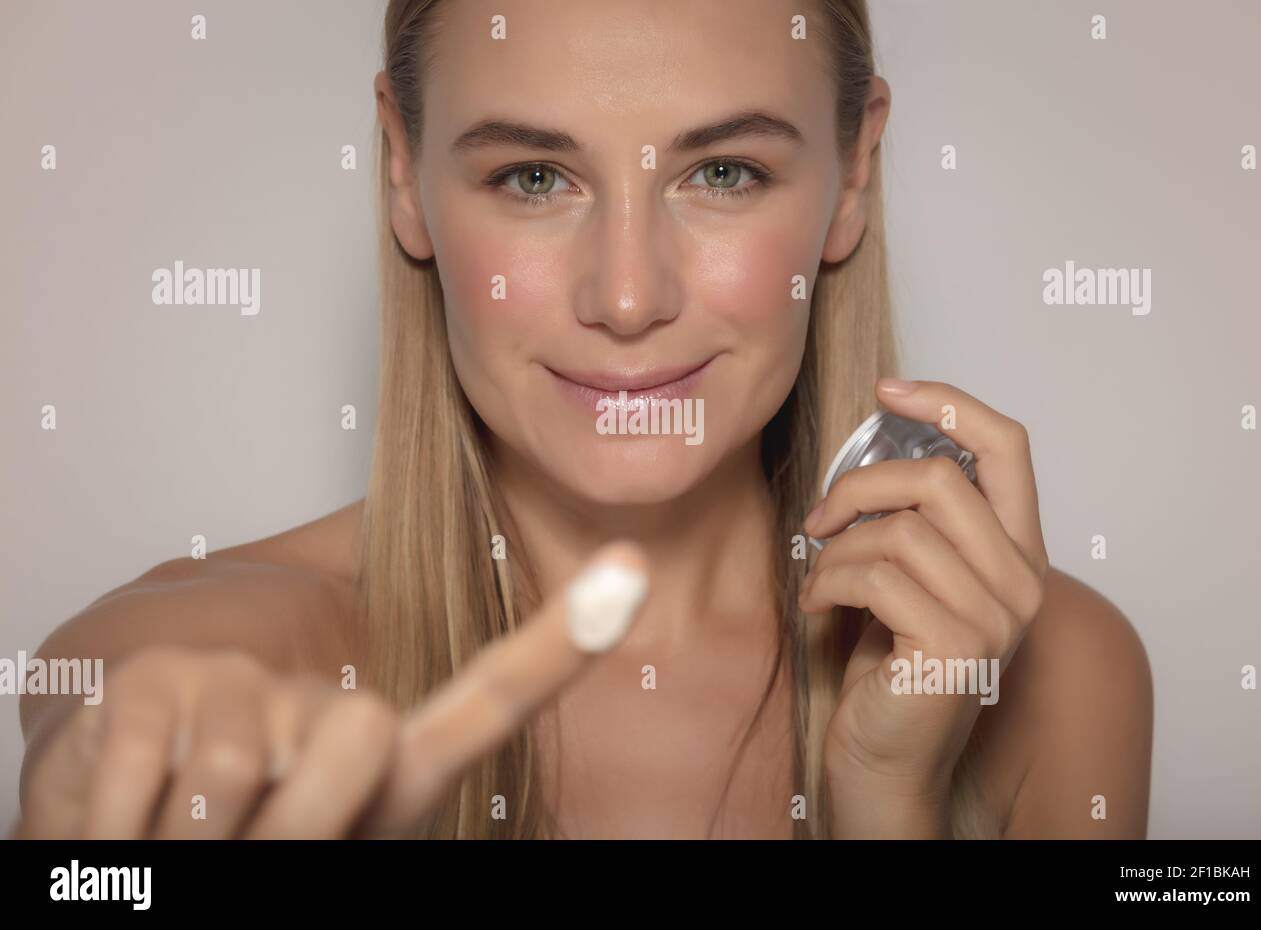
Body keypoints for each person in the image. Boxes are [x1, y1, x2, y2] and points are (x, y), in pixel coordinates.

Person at [14, 0, 1153, 840]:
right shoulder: (213, 650)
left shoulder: (1051, 679)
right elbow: (110, 753)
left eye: (722, 173)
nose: (624, 297)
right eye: (531, 178)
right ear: (405, 171)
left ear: (853, 173)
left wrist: (885, 803)